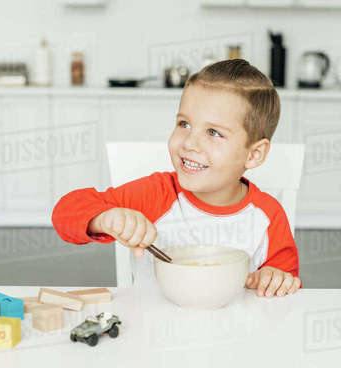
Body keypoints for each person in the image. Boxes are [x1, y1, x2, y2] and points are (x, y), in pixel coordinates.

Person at [52, 59, 301, 297]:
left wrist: (275, 279)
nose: (190, 143)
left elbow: (286, 282)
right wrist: (104, 218)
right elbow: (65, 213)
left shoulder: (268, 216)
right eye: (184, 124)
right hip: (154, 332)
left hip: (235, 332)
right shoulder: (156, 193)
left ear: (254, 154)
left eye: (213, 132)